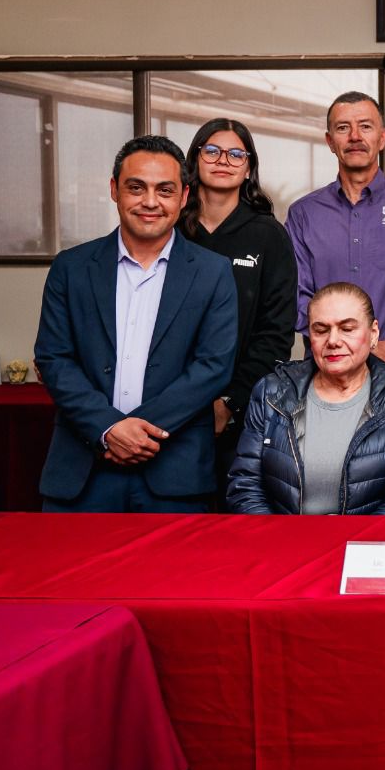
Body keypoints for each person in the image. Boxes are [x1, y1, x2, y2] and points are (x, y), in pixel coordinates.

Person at [34, 135, 238, 512]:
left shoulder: (213, 272)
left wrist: (137, 430)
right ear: (115, 190)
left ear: (184, 196)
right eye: (136, 187)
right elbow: (54, 358)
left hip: (174, 474)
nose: (150, 201)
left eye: (164, 190)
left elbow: (214, 366)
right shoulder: (71, 268)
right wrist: (108, 428)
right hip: (83, 470)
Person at [226, 283, 385, 514]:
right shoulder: (271, 392)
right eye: (321, 330)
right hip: (282, 536)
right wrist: (281, 535)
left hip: (369, 537)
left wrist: (352, 537)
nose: (333, 341)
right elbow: (245, 487)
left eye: (347, 328)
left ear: (373, 333)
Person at [179, 118, 297, 485]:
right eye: (212, 151)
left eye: (235, 154)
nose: (223, 161)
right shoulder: (172, 231)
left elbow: (276, 333)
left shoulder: (269, 235)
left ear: (248, 168)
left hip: (240, 410)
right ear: (195, 159)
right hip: (171, 403)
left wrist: (231, 402)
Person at [285, 91, 385, 374]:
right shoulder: (303, 214)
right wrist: (364, 346)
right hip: (323, 374)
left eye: (365, 126)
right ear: (330, 141)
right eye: (343, 128)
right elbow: (295, 297)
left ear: (383, 137)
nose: (355, 136)